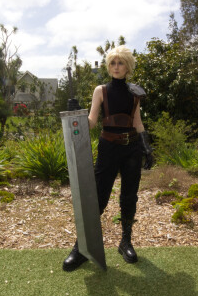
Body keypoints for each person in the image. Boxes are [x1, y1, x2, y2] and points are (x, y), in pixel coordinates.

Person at [62, 46, 156, 271]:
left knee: (129, 197)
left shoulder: (135, 93)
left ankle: (126, 242)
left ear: (128, 66)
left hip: (132, 149)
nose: (116, 67)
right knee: (98, 197)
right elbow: (92, 122)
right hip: (108, 148)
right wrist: (77, 113)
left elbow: (137, 122)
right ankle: (82, 248)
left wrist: (146, 147)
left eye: (120, 63)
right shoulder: (101, 90)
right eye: (112, 63)